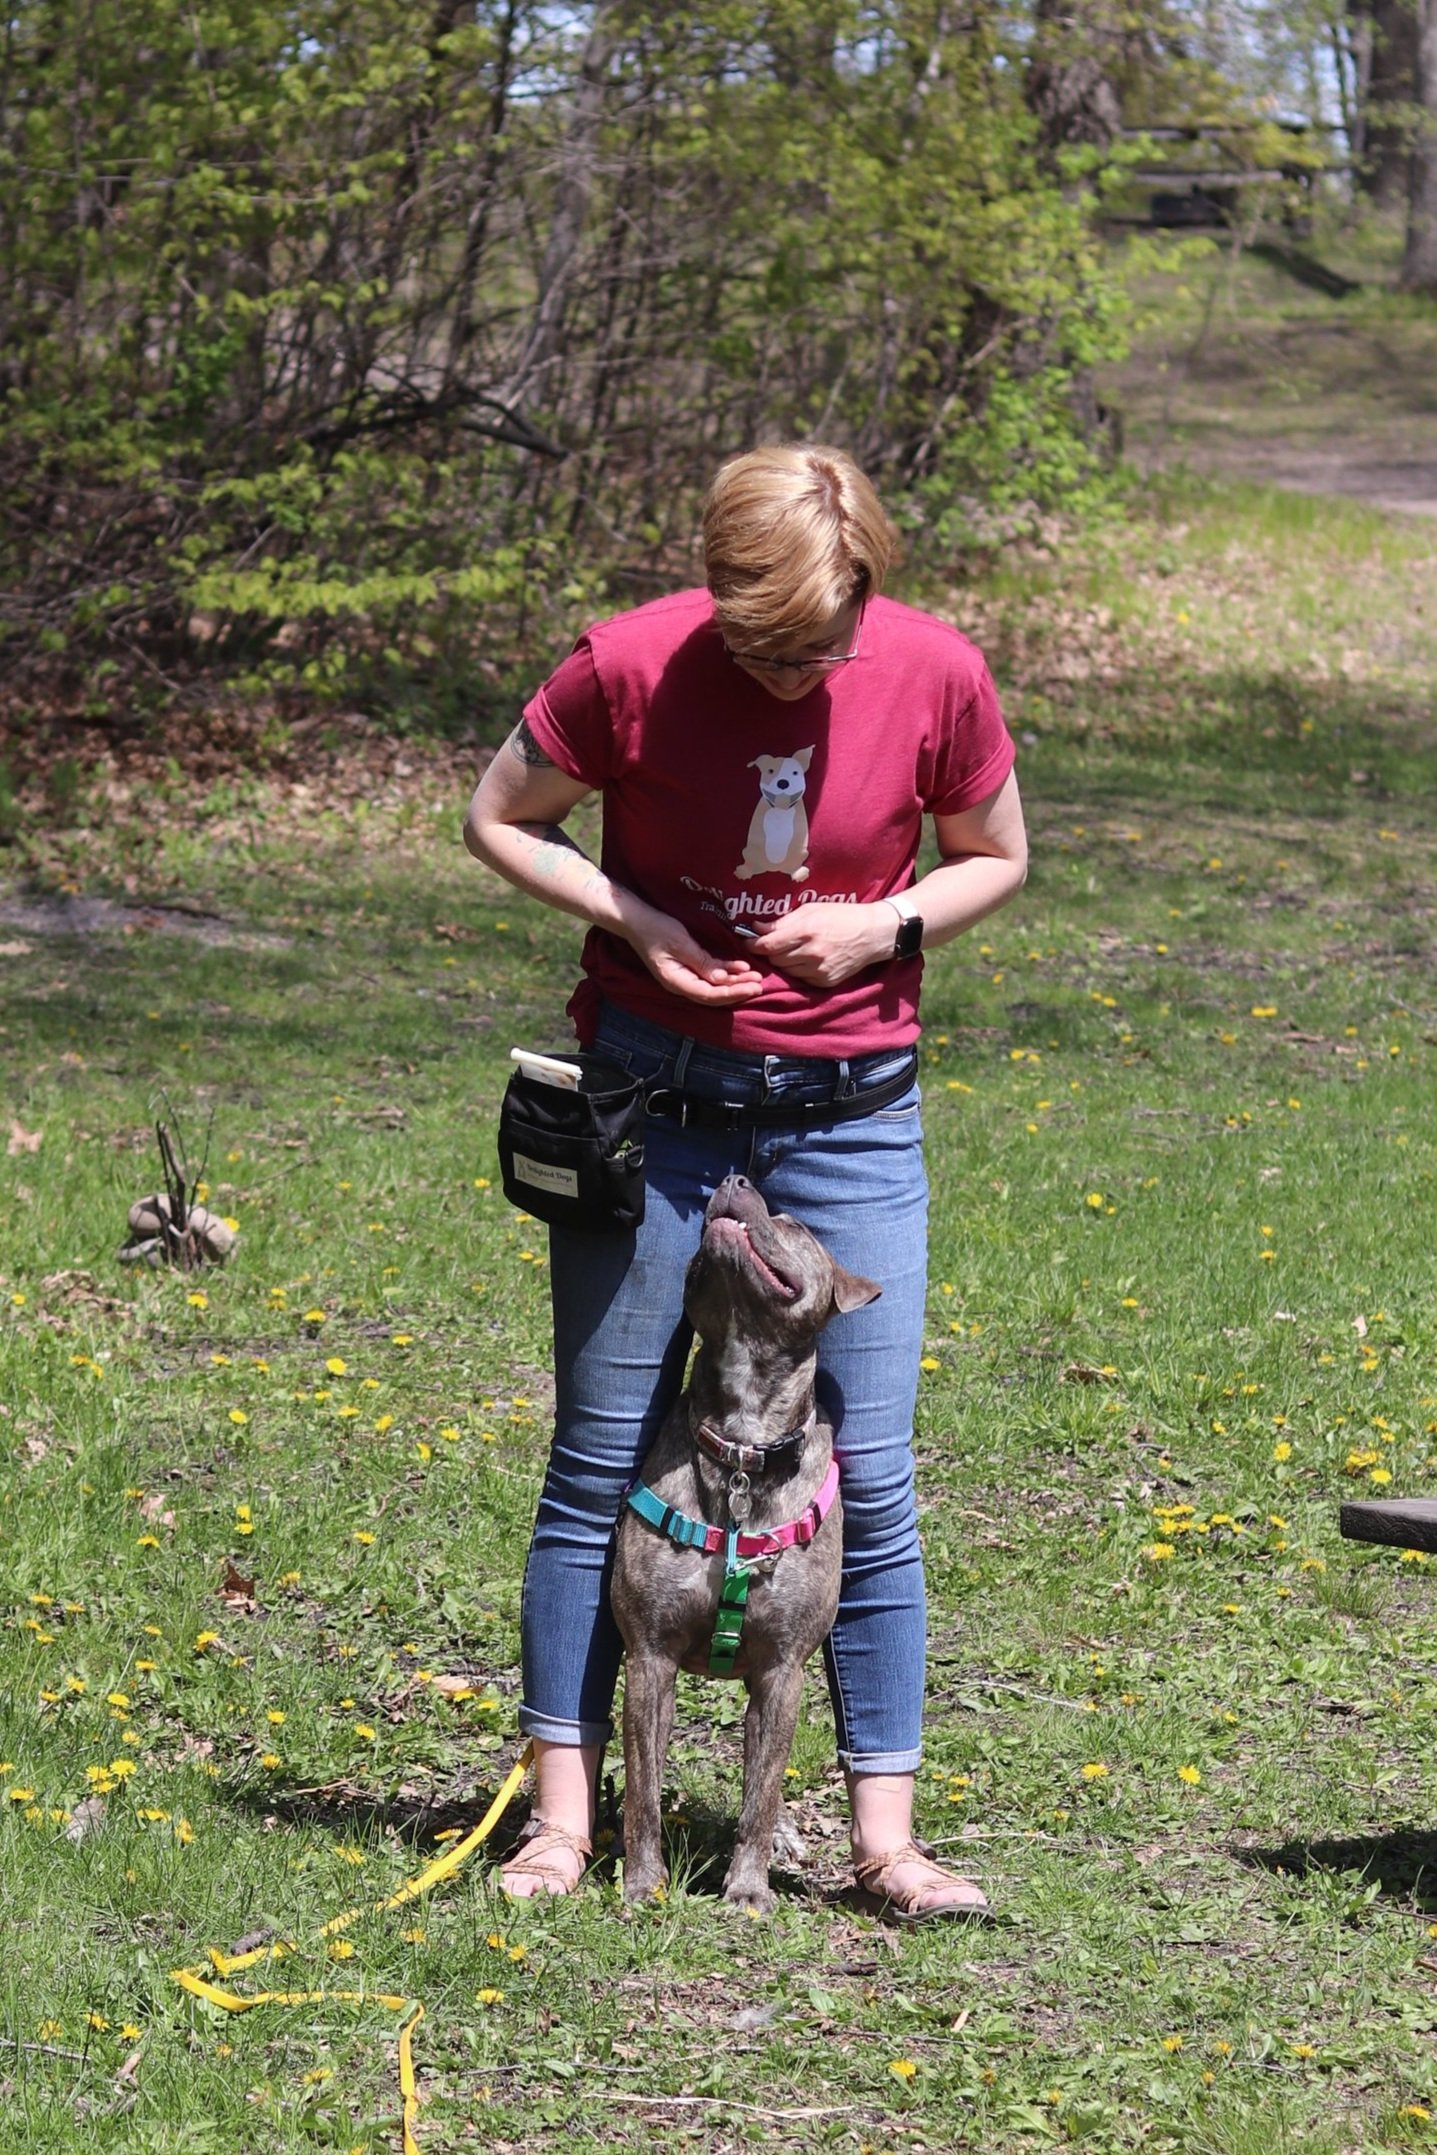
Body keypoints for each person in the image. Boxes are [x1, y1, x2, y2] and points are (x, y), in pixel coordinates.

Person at [463, 442, 1027, 1918]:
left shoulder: (936, 673)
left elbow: (994, 855)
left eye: (820, 649)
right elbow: (498, 817)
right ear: (715, 598)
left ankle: (884, 1840)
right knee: (601, 1461)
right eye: (764, 651)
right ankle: (564, 1824)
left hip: (850, 1113)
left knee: (874, 1476)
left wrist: (888, 925)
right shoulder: (625, 666)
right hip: (660, 1111)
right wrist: (639, 920)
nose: (794, 678)